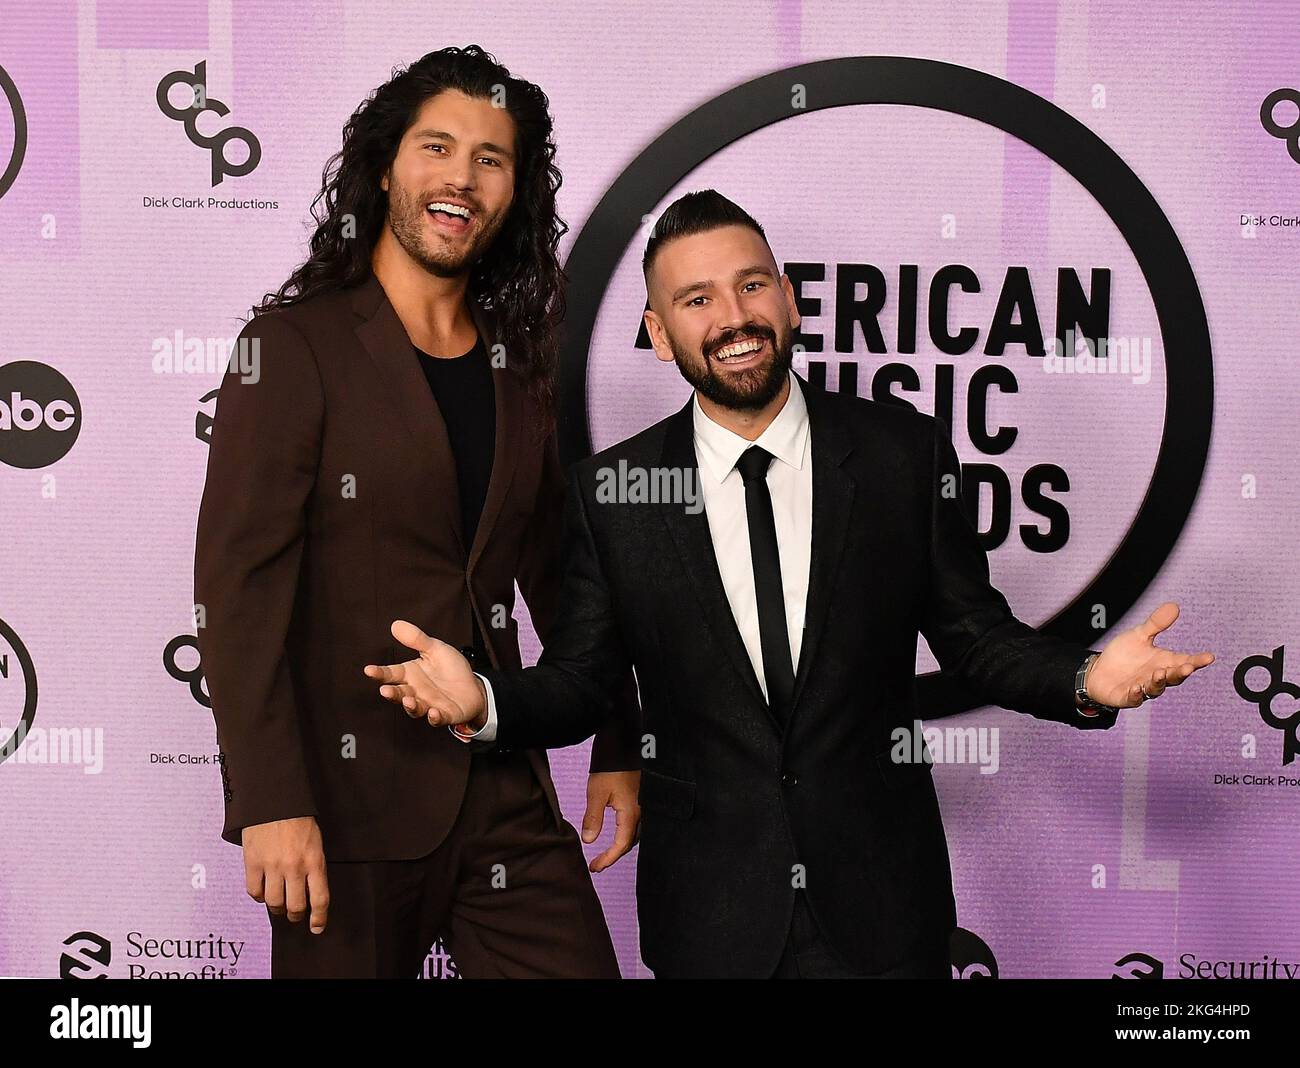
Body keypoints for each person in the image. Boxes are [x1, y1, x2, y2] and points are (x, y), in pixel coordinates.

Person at [363, 189, 1215, 979]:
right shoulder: (611, 495)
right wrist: (486, 702)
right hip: (710, 917)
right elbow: (586, 680)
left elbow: (973, 638)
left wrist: (1084, 678)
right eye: (697, 300)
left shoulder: (900, 456)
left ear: (790, 298)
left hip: (886, 907)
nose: (734, 318)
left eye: (752, 286)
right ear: (659, 334)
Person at [194, 45, 639, 979]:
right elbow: (238, 595)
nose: (462, 179)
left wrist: (619, 738)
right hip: (341, 811)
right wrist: (269, 801)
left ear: (515, 191)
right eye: (438, 147)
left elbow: (561, 577)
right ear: (386, 164)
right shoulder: (290, 348)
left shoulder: (522, 366)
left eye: (491, 158)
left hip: (503, 794)